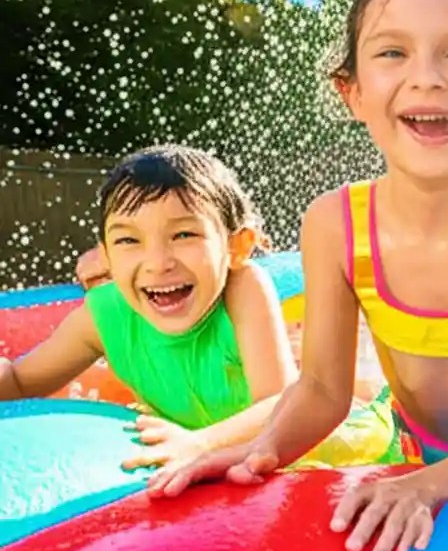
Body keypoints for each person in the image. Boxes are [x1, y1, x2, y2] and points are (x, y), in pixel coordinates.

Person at [149, 0, 448, 551]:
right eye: (392, 54)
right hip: (420, 448)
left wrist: (429, 488)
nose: (426, 78)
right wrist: (261, 448)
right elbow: (325, 388)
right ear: (351, 92)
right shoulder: (334, 224)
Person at [0, 145, 300, 471]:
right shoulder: (105, 315)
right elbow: (19, 382)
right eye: (128, 241)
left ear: (235, 246)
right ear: (106, 256)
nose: (158, 264)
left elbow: (282, 405)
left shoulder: (242, 289)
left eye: (184, 234)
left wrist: (202, 442)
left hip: (288, 458)